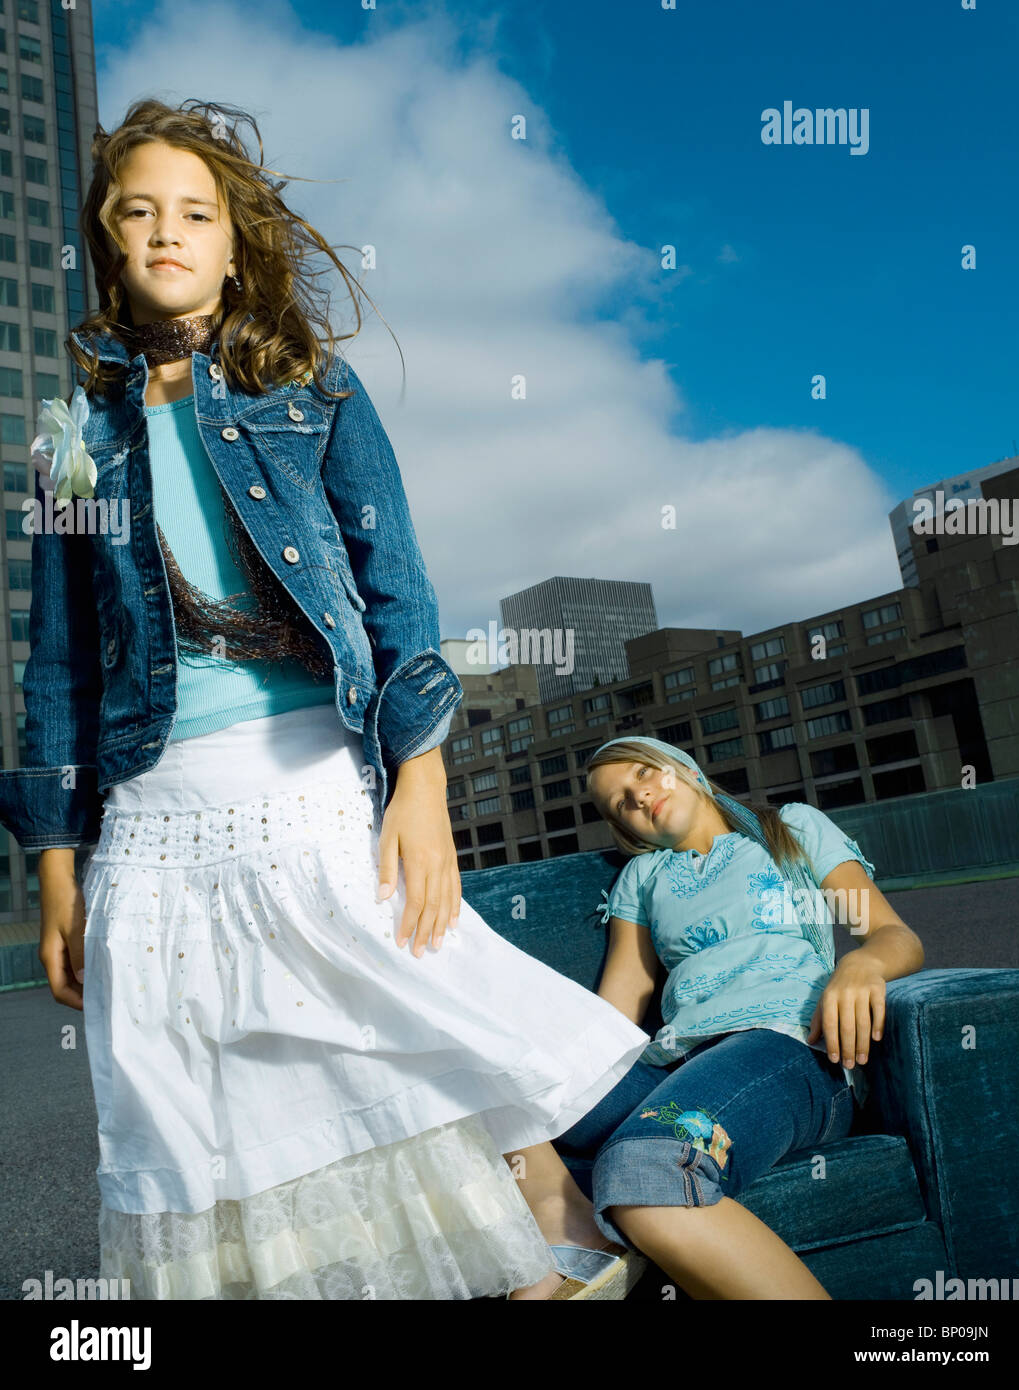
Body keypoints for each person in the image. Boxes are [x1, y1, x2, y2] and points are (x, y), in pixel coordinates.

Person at [1, 98, 653, 1301]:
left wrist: (420, 784)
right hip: (148, 804)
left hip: (304, 767)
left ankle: (555, 1240)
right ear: (106, 241)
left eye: (193, 213)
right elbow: (57, 666)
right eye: (135, 212)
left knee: (380, 1008)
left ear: (234, 243)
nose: (165, 233)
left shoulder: (314, 388)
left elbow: (397, 593)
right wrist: (56, 864)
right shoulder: (71, 442)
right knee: (187, 1077)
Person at [548, 734, 926, 1300]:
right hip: (674, 1063)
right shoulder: (644, 878)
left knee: (646, 1167)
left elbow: (894, 935)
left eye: (643, 774)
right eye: (620, 802)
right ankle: (570, 1256)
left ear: (685, 769)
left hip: (788, 1044)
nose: (638, 796)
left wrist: (862, 965)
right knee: (525, 1113)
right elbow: (618, 1007)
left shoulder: (790, 830)